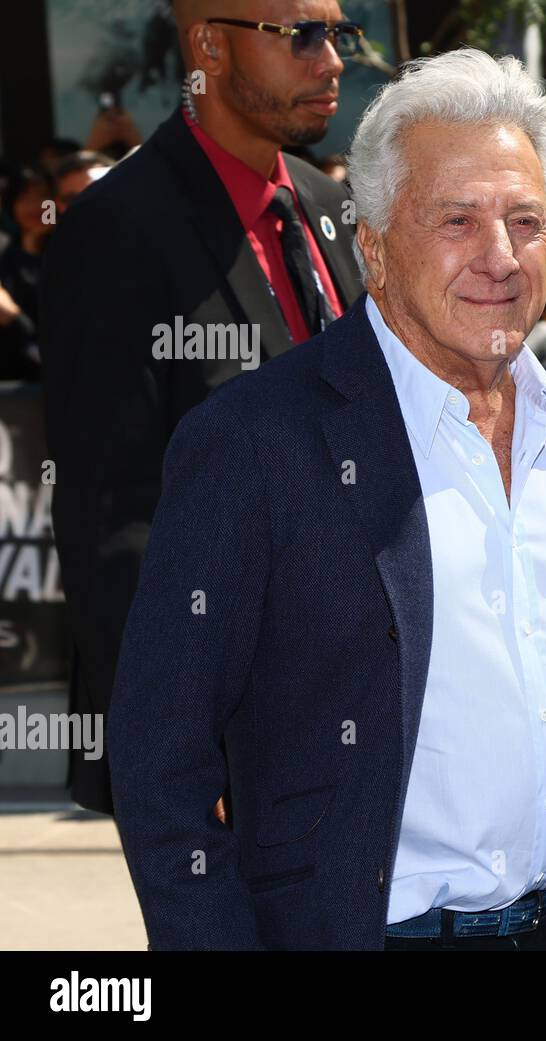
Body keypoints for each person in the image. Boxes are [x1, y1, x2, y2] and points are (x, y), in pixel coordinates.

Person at [108, 47, 546, 952]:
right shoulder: (254, 445)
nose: (499, 257)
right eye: (458, 219)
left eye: (525, 220)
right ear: (375, 246)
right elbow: (160, 760)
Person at [40, 0, 363, 816]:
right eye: (303, 36)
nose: (332, 62)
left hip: (361, 711)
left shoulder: (332, 207)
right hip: (225, 739)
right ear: (210, 46)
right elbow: (112, 519)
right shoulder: (113, 232)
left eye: (339, 34)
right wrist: (187, 734)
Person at [0, 165, 54, 380]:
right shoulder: (5, 253)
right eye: (24, 199)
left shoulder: (73, 250)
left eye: (42, 198)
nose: (35, 207)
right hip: (14, 379)